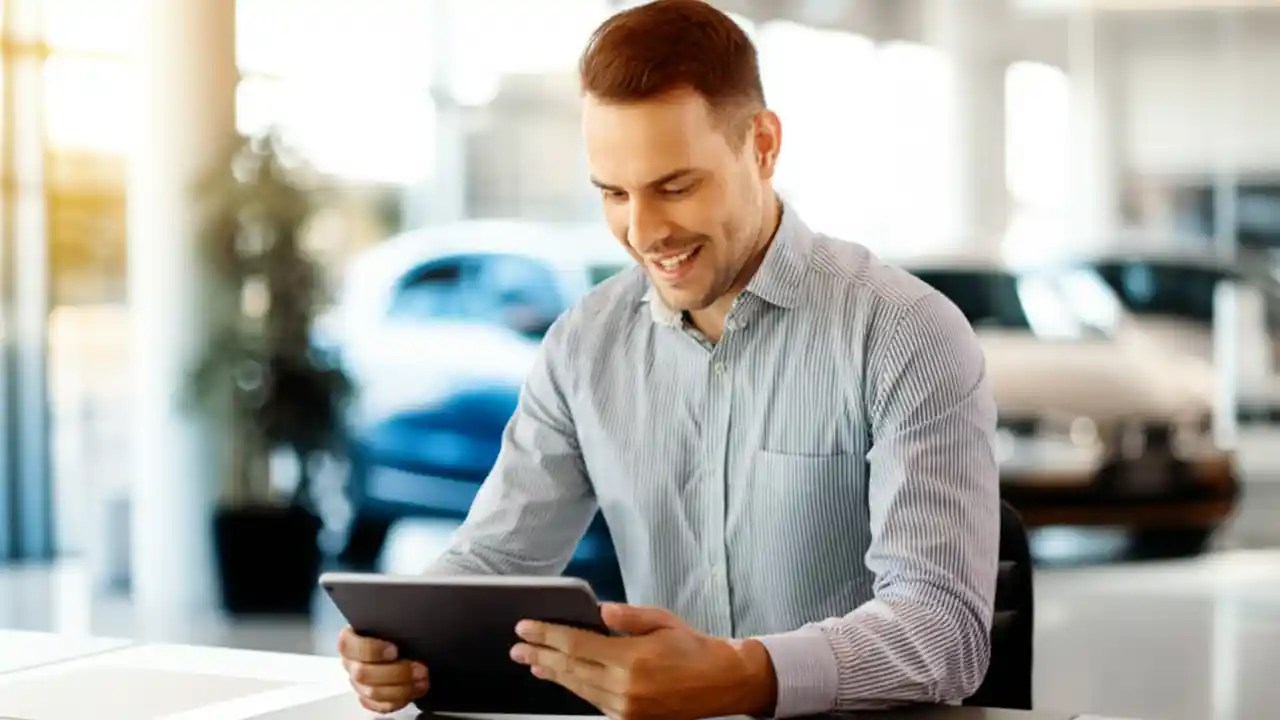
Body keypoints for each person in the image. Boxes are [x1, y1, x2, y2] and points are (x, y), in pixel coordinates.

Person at [339, 1, 999, 717]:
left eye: (675, 187)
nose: (644, 231)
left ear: (764, 146)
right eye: (614, 194)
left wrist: (744, 674)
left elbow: (944, 631)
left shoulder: (904, 332)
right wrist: (406, 636)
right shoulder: (583, 346)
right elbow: (495, 560)